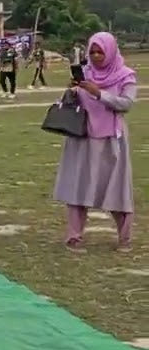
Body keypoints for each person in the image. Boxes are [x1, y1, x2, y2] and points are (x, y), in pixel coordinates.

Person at [53, 32, 136, 253]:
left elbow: (126, 104)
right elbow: (73, 103)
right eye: (93, 52)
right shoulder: (85, 74)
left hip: (111, 139)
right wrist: (72, 91)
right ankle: (74, 237)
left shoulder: (125, 75)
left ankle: (125, 238)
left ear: (110, 50)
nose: (97, 56)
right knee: (78, 186)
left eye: (101, 51)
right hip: (83, 137)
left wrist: (99, 93)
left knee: (116, 188)